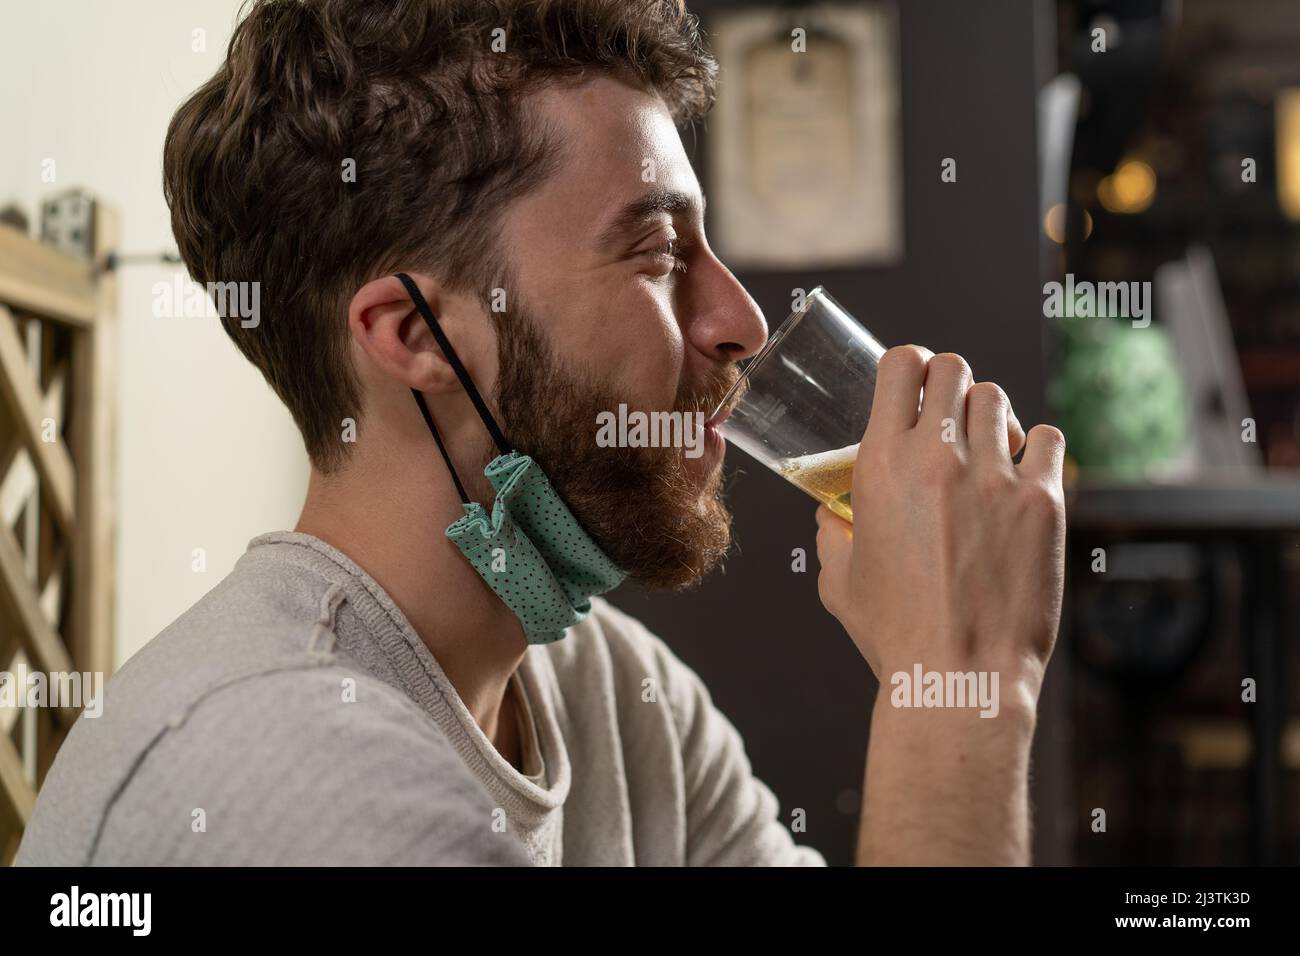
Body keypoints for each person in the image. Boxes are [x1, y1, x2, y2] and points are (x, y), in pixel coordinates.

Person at [17, 0, 1064, 866]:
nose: (739, 321)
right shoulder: (286, 773)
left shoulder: (614, 695)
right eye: (655, 252)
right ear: (413, 336)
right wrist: (959, 684)